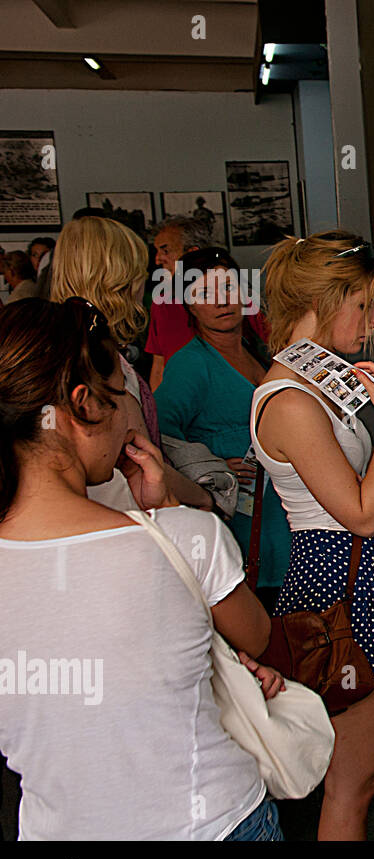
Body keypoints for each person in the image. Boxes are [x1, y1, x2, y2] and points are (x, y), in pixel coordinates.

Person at [0, 297, 284, 840]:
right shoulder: (180, 540)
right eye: (120, 397)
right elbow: (256, 633)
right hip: (212, 824)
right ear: (83, 404)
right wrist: (168, 512)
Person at [252, 231, 374, 840]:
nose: (371, 323)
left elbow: (373, 501)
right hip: (339, 582)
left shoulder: (324, 383)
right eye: (362, 305)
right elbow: (363, 513)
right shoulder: (288, 399)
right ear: (325, 298)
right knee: (353, 784)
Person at [48, 214, 215, 512]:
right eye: (140, 272)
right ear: (121, 280)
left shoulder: (52, 346)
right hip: (122, 513)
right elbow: (141, 459)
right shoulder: (101, 358)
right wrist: (207, 496)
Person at [155, 247, 291, 594]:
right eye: (204, 293)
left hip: (283, 512)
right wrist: (209, 466)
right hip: (240, 518)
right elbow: (159, 433)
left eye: (228, 287)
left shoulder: (259, 348)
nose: (221, 301)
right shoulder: (189, 365)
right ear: (188, 305)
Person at [146, 216, 212, 390]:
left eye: (165, 251)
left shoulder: (235, 298)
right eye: (157, 251)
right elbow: (159, 366)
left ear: (191, 253)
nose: (158, 260)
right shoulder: (162, 302)